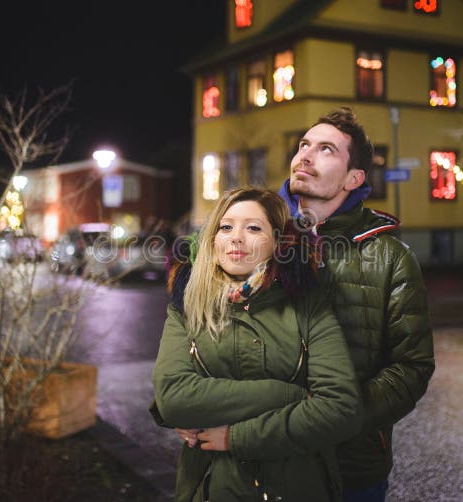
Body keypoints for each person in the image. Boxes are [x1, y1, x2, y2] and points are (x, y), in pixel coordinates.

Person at [151, 187, 363, 502]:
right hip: (213, 486)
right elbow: (173, 399)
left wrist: (236, 437)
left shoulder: (308, 304)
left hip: (300, 485)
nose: (236, 238)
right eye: (226, 227)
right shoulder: (187, 306)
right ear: (212, 238)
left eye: (253, 228)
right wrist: (288, 395)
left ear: (278, 242)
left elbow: (341, 409)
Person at [278, 106, 435, 501]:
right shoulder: (258, 237)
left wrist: (337, 415)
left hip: (350, 469)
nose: (306, 156)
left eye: (326, 149)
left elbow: (411, 367)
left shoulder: (391, 258)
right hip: (266, 462)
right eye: (304, 145)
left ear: (354, 178)